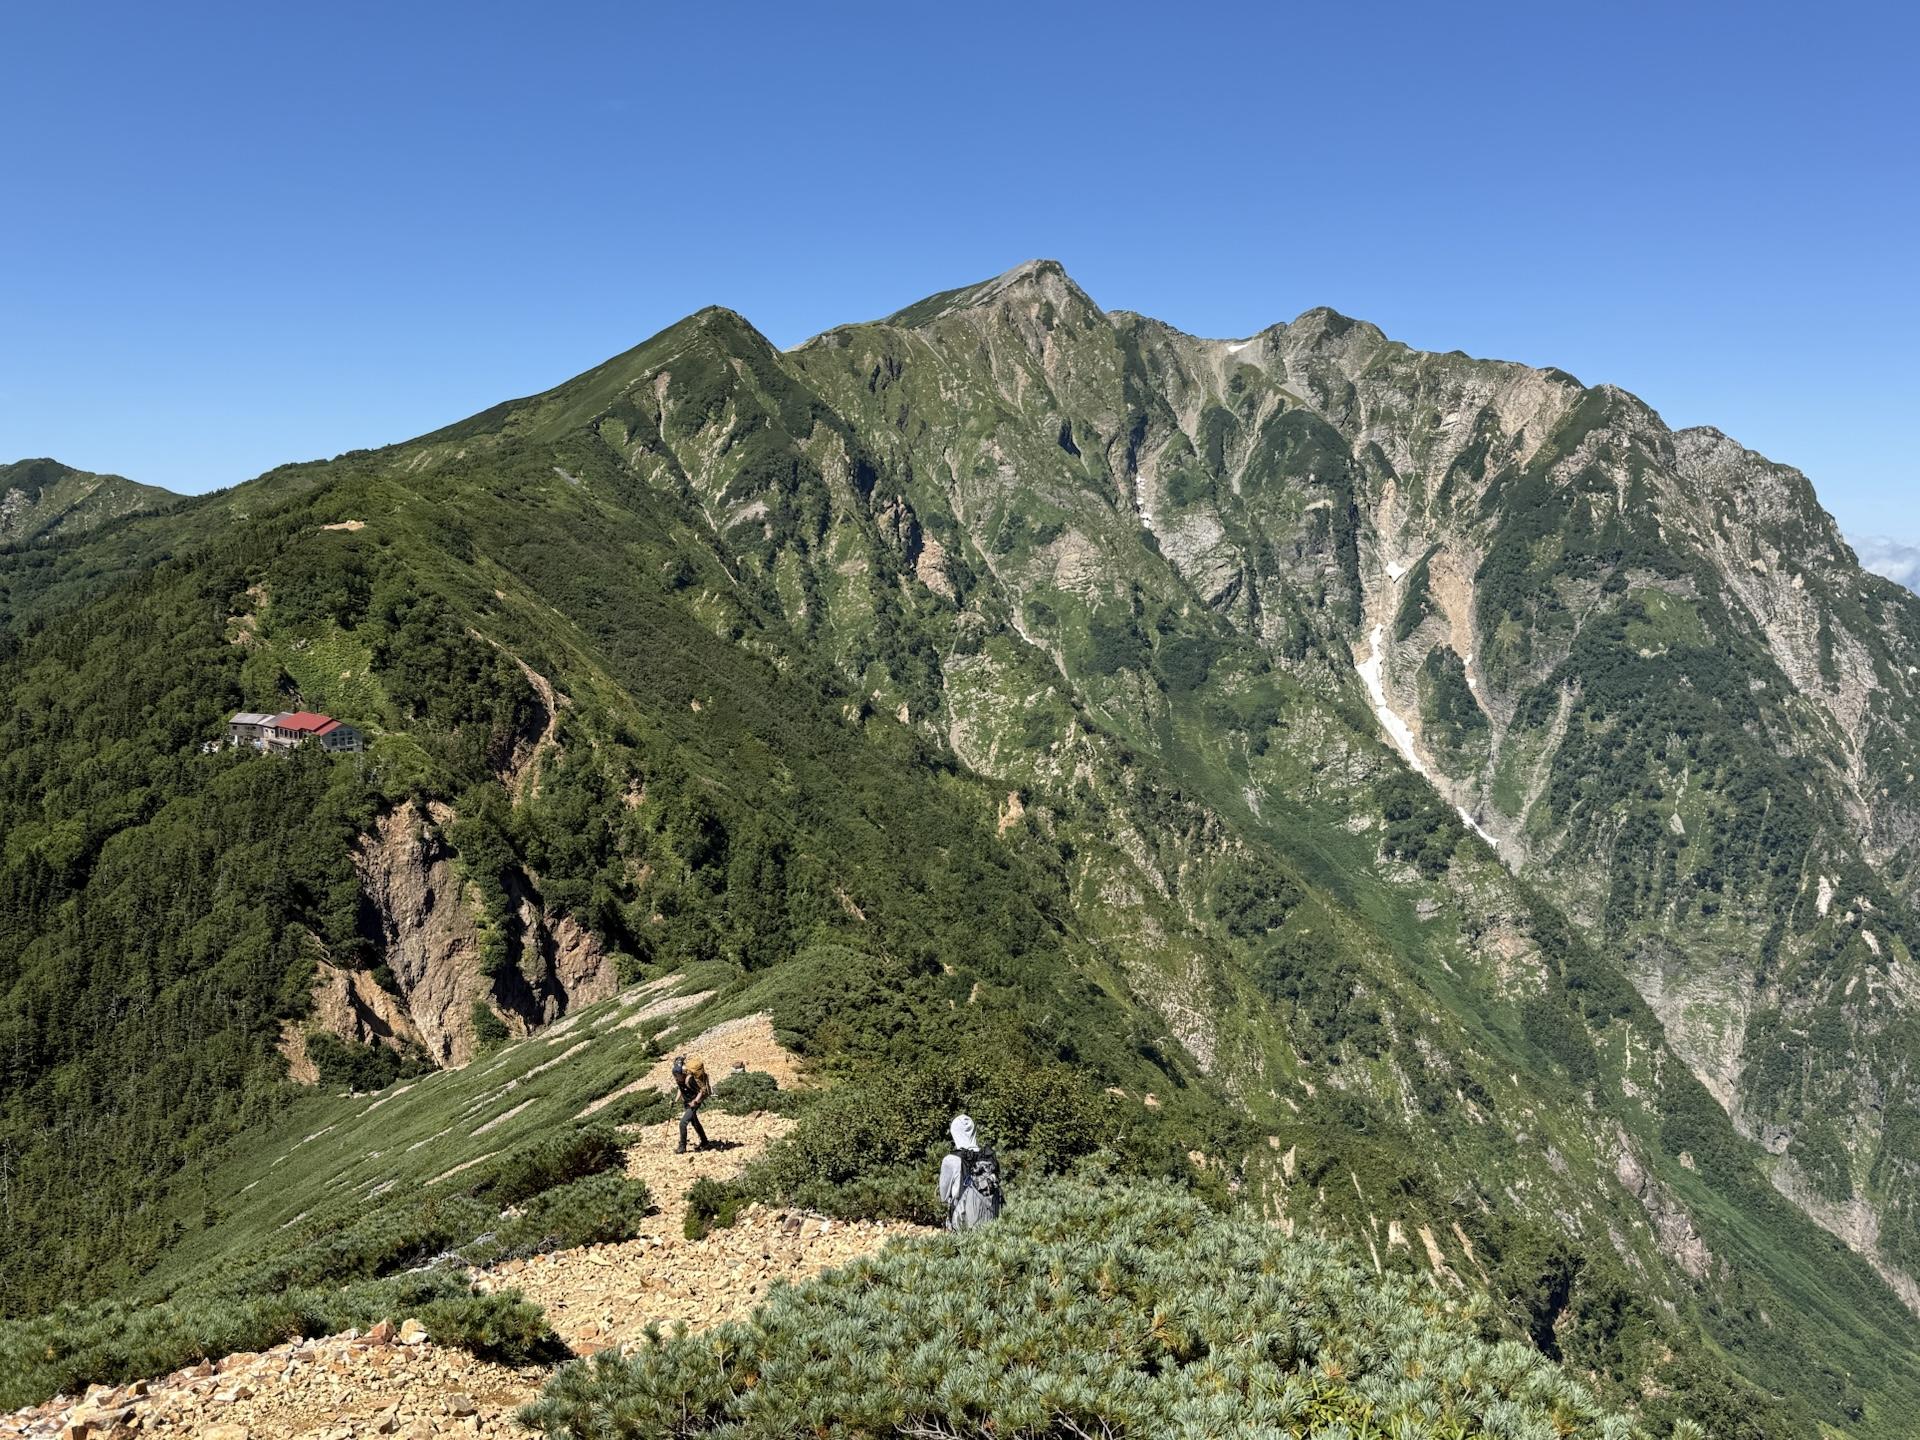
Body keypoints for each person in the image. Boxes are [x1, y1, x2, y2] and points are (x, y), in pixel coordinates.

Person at [936, 1114, 1003, 1230]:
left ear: (954, 1133)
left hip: (961, 1223)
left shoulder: (950, 1160)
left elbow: (944, 1197)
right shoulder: (988, 1157)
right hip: (989, 1223)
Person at [672, 1054, 711, 1153]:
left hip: (693, 1103)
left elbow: (700, 1091)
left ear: (682, 1073)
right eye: (674, 1075)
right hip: (687, 1103)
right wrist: (675, 1100)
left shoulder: (689, 1080)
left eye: (676, 1075)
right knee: (695, 1122)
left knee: (682, 1123)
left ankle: (682, 1147)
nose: (675, 1078)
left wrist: (695, 1101)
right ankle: (705, 1142)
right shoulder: (679, 1080)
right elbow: (680, 1090)